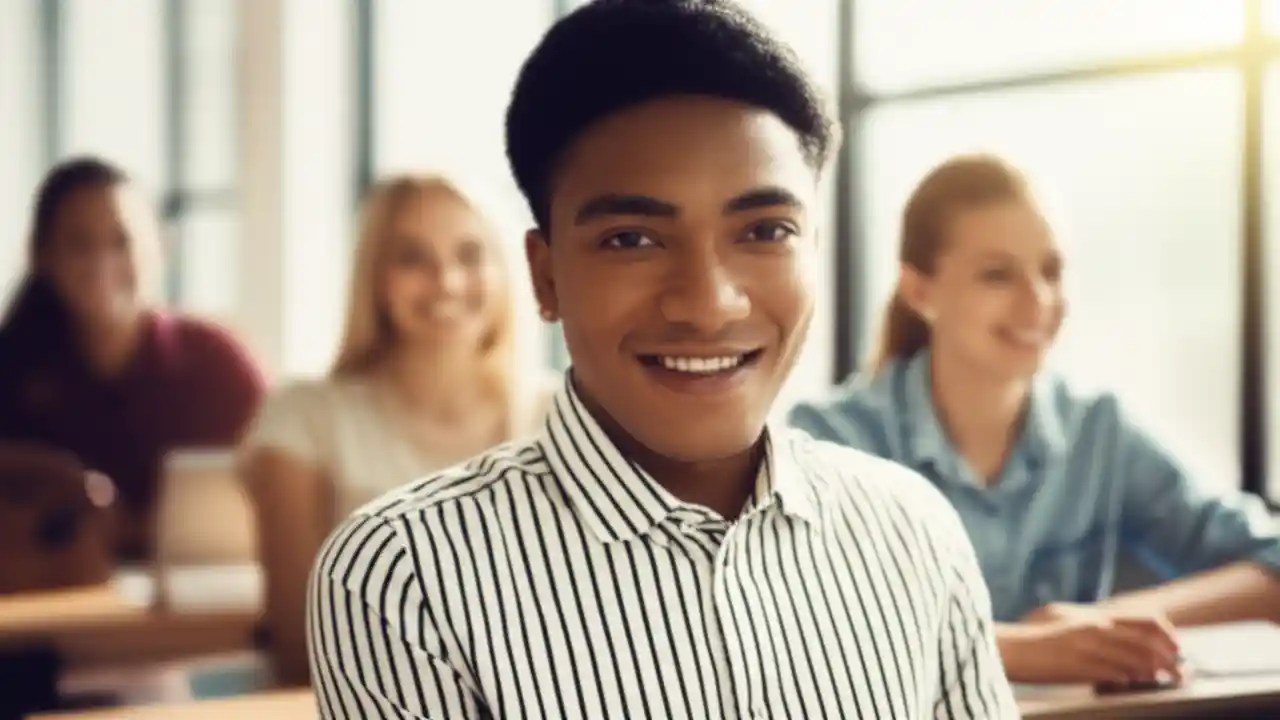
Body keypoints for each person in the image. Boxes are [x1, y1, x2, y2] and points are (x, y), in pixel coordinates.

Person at [308, 3, 1016, 718]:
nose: (709, 305)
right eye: (631, 240)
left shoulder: (912, 529)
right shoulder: (404, 578)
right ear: (546, 277)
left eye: (766, 230)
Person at [790, 154, 1280, 686]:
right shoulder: (830, 440)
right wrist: (1019, 649)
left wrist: (1100, 623)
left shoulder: (1100, 432)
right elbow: (806, 626)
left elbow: (1271, 561)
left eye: (1050, 271)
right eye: (998, 275)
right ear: (919, 291)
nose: (1038, 301)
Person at [242, 174, 553, 686]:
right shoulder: (303, 419)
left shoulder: (566, 417)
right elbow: (299, 649)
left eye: (470, 254)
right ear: (376, 279)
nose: (447, 282)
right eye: (413, 257)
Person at [0, 157, 265, 561]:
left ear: (159, 248)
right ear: (42, 256)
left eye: (121, 241)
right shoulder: (14, 368)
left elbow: (271, 486)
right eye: (78, 243)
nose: (101, 262)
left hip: (196, 605)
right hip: (51, 605)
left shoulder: (217, 364)